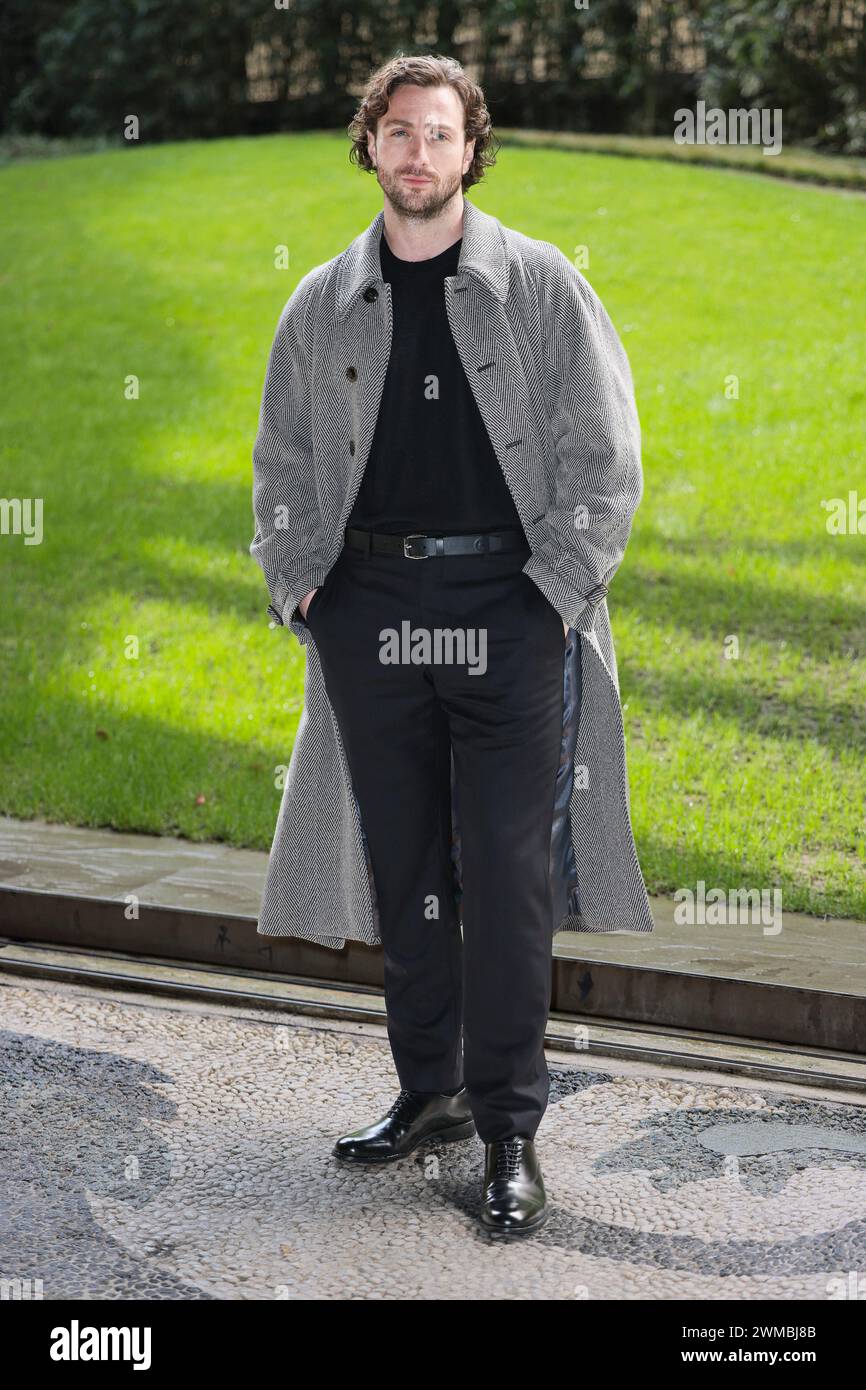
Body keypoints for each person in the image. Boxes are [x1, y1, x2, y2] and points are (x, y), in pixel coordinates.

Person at [250, 52, 650, 1239]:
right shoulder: (321, 303)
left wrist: (550, 593)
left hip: (509, 608)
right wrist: (307, 590)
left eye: (438, 133)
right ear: (367, 146)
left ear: (471, 150)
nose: (416, 153)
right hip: (369, 609)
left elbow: (603, 458)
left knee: (506, 873)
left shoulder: (538, 288)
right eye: (395, 131)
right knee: (405, 862)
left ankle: (511, 1127)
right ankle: (427, 1091)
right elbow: (279, 469)